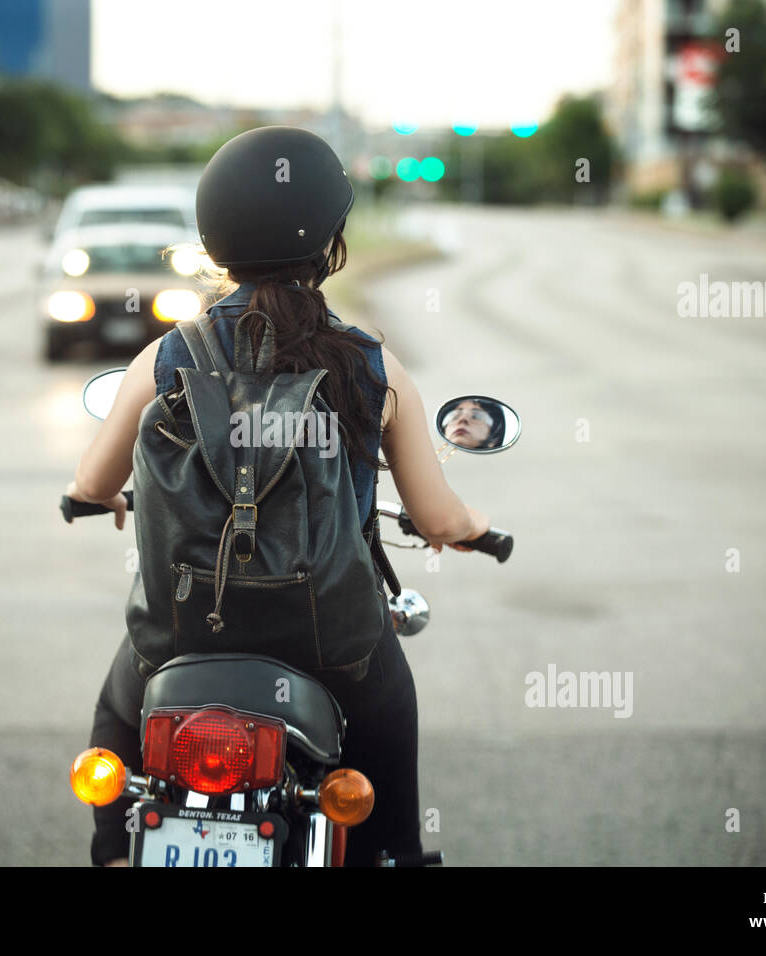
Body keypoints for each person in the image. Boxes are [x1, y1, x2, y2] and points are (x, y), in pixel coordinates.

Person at [66, 126, 490, 866]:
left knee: (117, 712)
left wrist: (93, 498)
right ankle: (394, 857)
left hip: (184, 630)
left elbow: (94, 484)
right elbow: (434, 514)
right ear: (330, 240)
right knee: (389, 723)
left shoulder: (167, 356)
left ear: (215, 238)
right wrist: (473, 528)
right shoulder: (370, 365)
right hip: (335, 642)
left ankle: (113, 853)